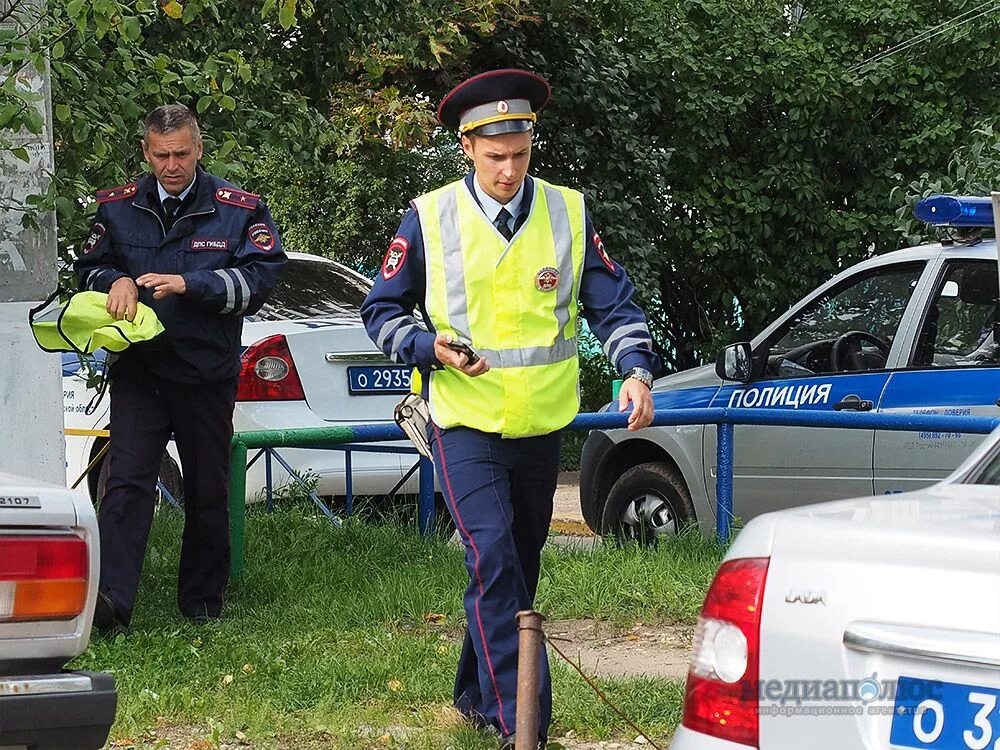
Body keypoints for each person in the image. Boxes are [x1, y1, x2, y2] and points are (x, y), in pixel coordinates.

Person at [360, 69, 659, 747]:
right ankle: (519, 722)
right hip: (462, 425)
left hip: (540, 428)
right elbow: (379, 309)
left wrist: (636, 371)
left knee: (514, 568)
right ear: (467, 148)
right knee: (494, 560)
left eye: (519, 154)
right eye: (495, 156)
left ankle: (471, 694)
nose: (508, 169)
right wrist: (427, 347)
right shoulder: (429, 216)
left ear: (531, 144)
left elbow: (612, 304)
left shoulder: (568, 212)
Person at [74, 104, 287, 632]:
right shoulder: (117, 207)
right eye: (162, 155)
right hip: (140, 370)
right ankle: (110, 605)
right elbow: (88, 268)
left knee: (208, 487)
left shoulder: (239, 210)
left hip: (204, 369)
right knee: (124, 485)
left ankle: (202, 604)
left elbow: (260, 280)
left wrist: (192, 284)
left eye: (182, 154)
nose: (172, 165)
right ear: (146, 152)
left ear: (199, 148)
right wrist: (113, 282)